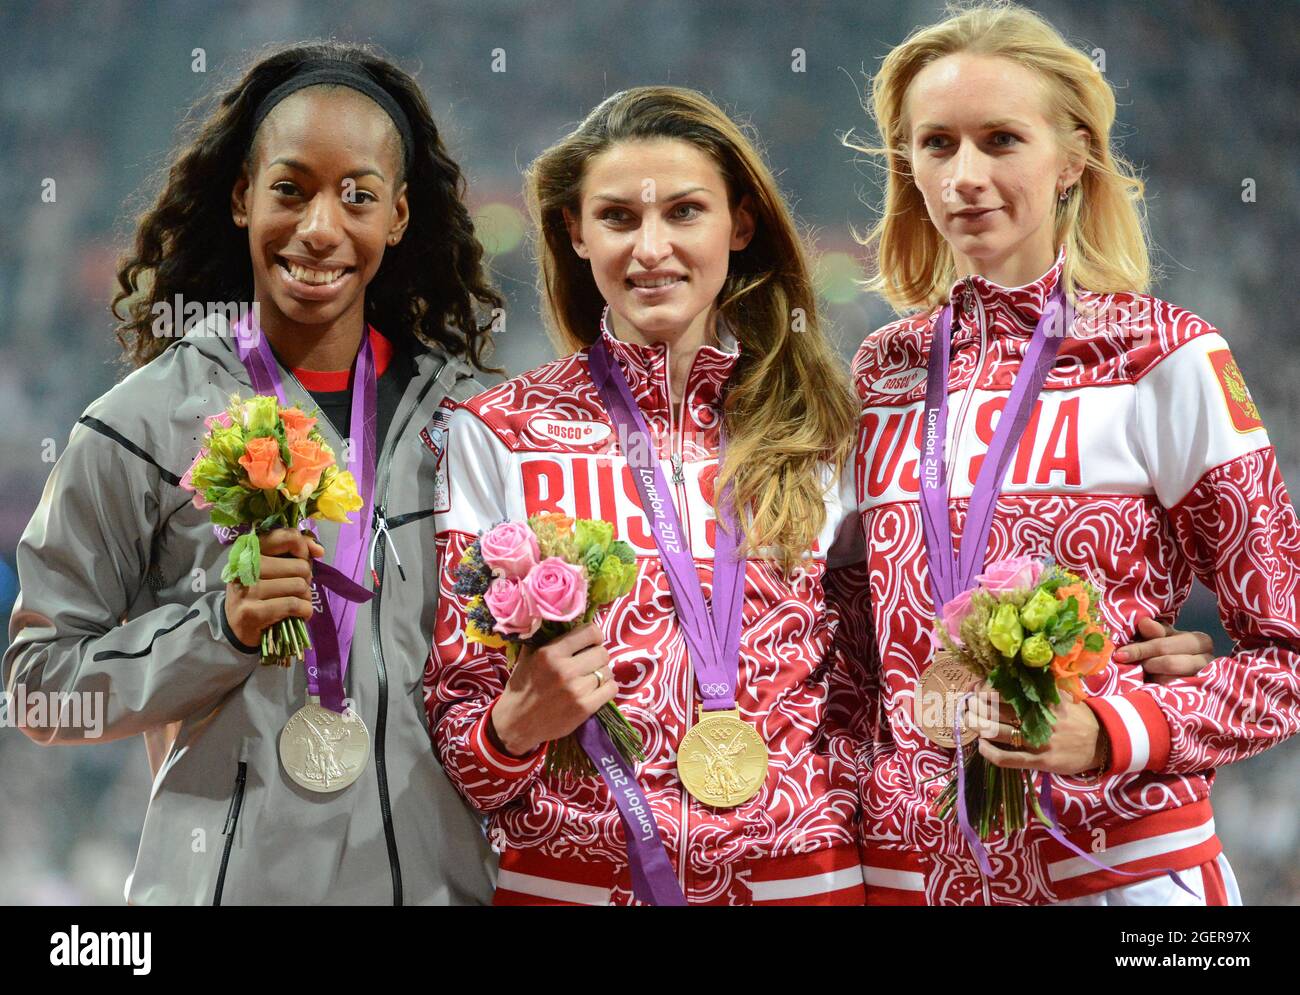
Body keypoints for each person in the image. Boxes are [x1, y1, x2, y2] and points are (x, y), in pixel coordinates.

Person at [4, 40, 501, 905]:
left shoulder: (475, 428)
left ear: (400, 216)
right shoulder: (139, 426)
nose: (320, 227)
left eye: (358, 196)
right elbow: (41, 692)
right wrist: (218, 631)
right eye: (290, 188)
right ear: (242, 198)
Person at [847, 1, 1300, 905]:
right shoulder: (882, 371)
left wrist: (1113, 727)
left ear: (1074, 158)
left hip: (1124, 874)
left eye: (1001, 140)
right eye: (937, 145)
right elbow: (856, 654)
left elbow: (1287, 658)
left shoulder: (1164, 354)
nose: (965, 176)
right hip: (923, 877)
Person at [425, 85, 875, 905]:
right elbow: (461, 741)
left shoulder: (830, 433)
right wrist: (513, 727)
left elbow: (877, 696)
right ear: (576, 230)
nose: (651, 248)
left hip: (807, 884)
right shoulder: (496, 434)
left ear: (740, 225)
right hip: (576, 886)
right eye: (620, 219)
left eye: (685, 212)